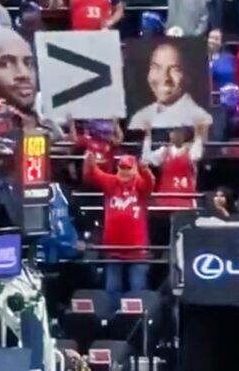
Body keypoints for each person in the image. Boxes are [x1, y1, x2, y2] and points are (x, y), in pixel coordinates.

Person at [84, 152, 155, 308]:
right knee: (112, 290)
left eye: (128, 168)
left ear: (134, 169)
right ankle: (112, 320)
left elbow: (150, 183)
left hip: (136, 251)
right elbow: (92, 174)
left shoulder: (140, 185)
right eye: (122, 167)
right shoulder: (111, 182)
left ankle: (138, 321)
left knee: (137, 290)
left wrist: (144, 170)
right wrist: (90, 162)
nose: (124, 171)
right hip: (113, 249)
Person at [128, 41, 213, 130]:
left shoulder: (201, 120)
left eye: (175, 69)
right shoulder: (140, 117)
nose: (165, 77)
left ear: (188, 76)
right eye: (156, 67)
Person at [142, 124, 206, 208]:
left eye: (180, 132)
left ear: (184, 135)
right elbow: (146, 159)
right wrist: (147, 136)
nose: (177, 135)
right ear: (170, 135)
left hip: (186, 201)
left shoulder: (191, 152)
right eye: (174, 132)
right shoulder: (163, 152)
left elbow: (198, 152)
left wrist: (199, 134)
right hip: (164, 201)